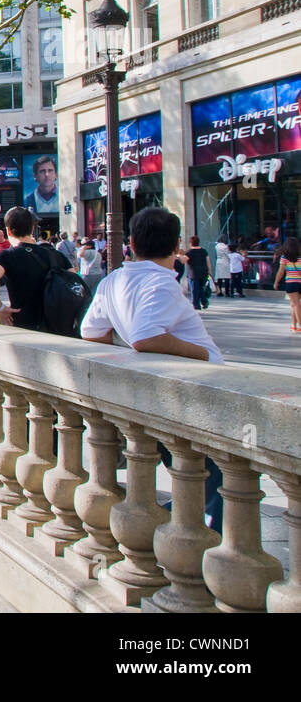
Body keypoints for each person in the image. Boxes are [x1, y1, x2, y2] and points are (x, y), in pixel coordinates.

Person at [80, 206, 224, 533]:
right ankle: (204, 534)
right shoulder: (161, 283)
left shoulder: (113, 280)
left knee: (196, 472)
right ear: (176, 245)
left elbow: (91, 331)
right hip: (199, 390)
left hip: (157, 392)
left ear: (130, 241)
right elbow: (146, 336)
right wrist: (201, 353)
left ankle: (185, 523)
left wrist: (124, 344)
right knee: (217, 475)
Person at [0, 206, 71, 331]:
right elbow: (72, 278)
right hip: (59, 324)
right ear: (32, 228)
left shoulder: (8, 256)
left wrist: (0, 308)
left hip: (25, 325)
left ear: (8, 231)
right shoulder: (55, 254)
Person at [273, 237, 301, 331]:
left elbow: (281, 271)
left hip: (291, 283)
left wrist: (276, 282)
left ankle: (300, 325)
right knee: (294, 304)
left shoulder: (284, 257)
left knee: (296, 304)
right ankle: (294, 325)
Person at [181, 236, 211, 310]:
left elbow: (183, 261)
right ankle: (204, 301)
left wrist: (179, 256)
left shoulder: (189, 252)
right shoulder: (204, 251)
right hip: (204, 272)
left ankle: (196, 304)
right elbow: (208, 262)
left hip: (193, 273)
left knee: (194, 290)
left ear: (191, 243)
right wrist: (210, 272)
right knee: (201, 288)